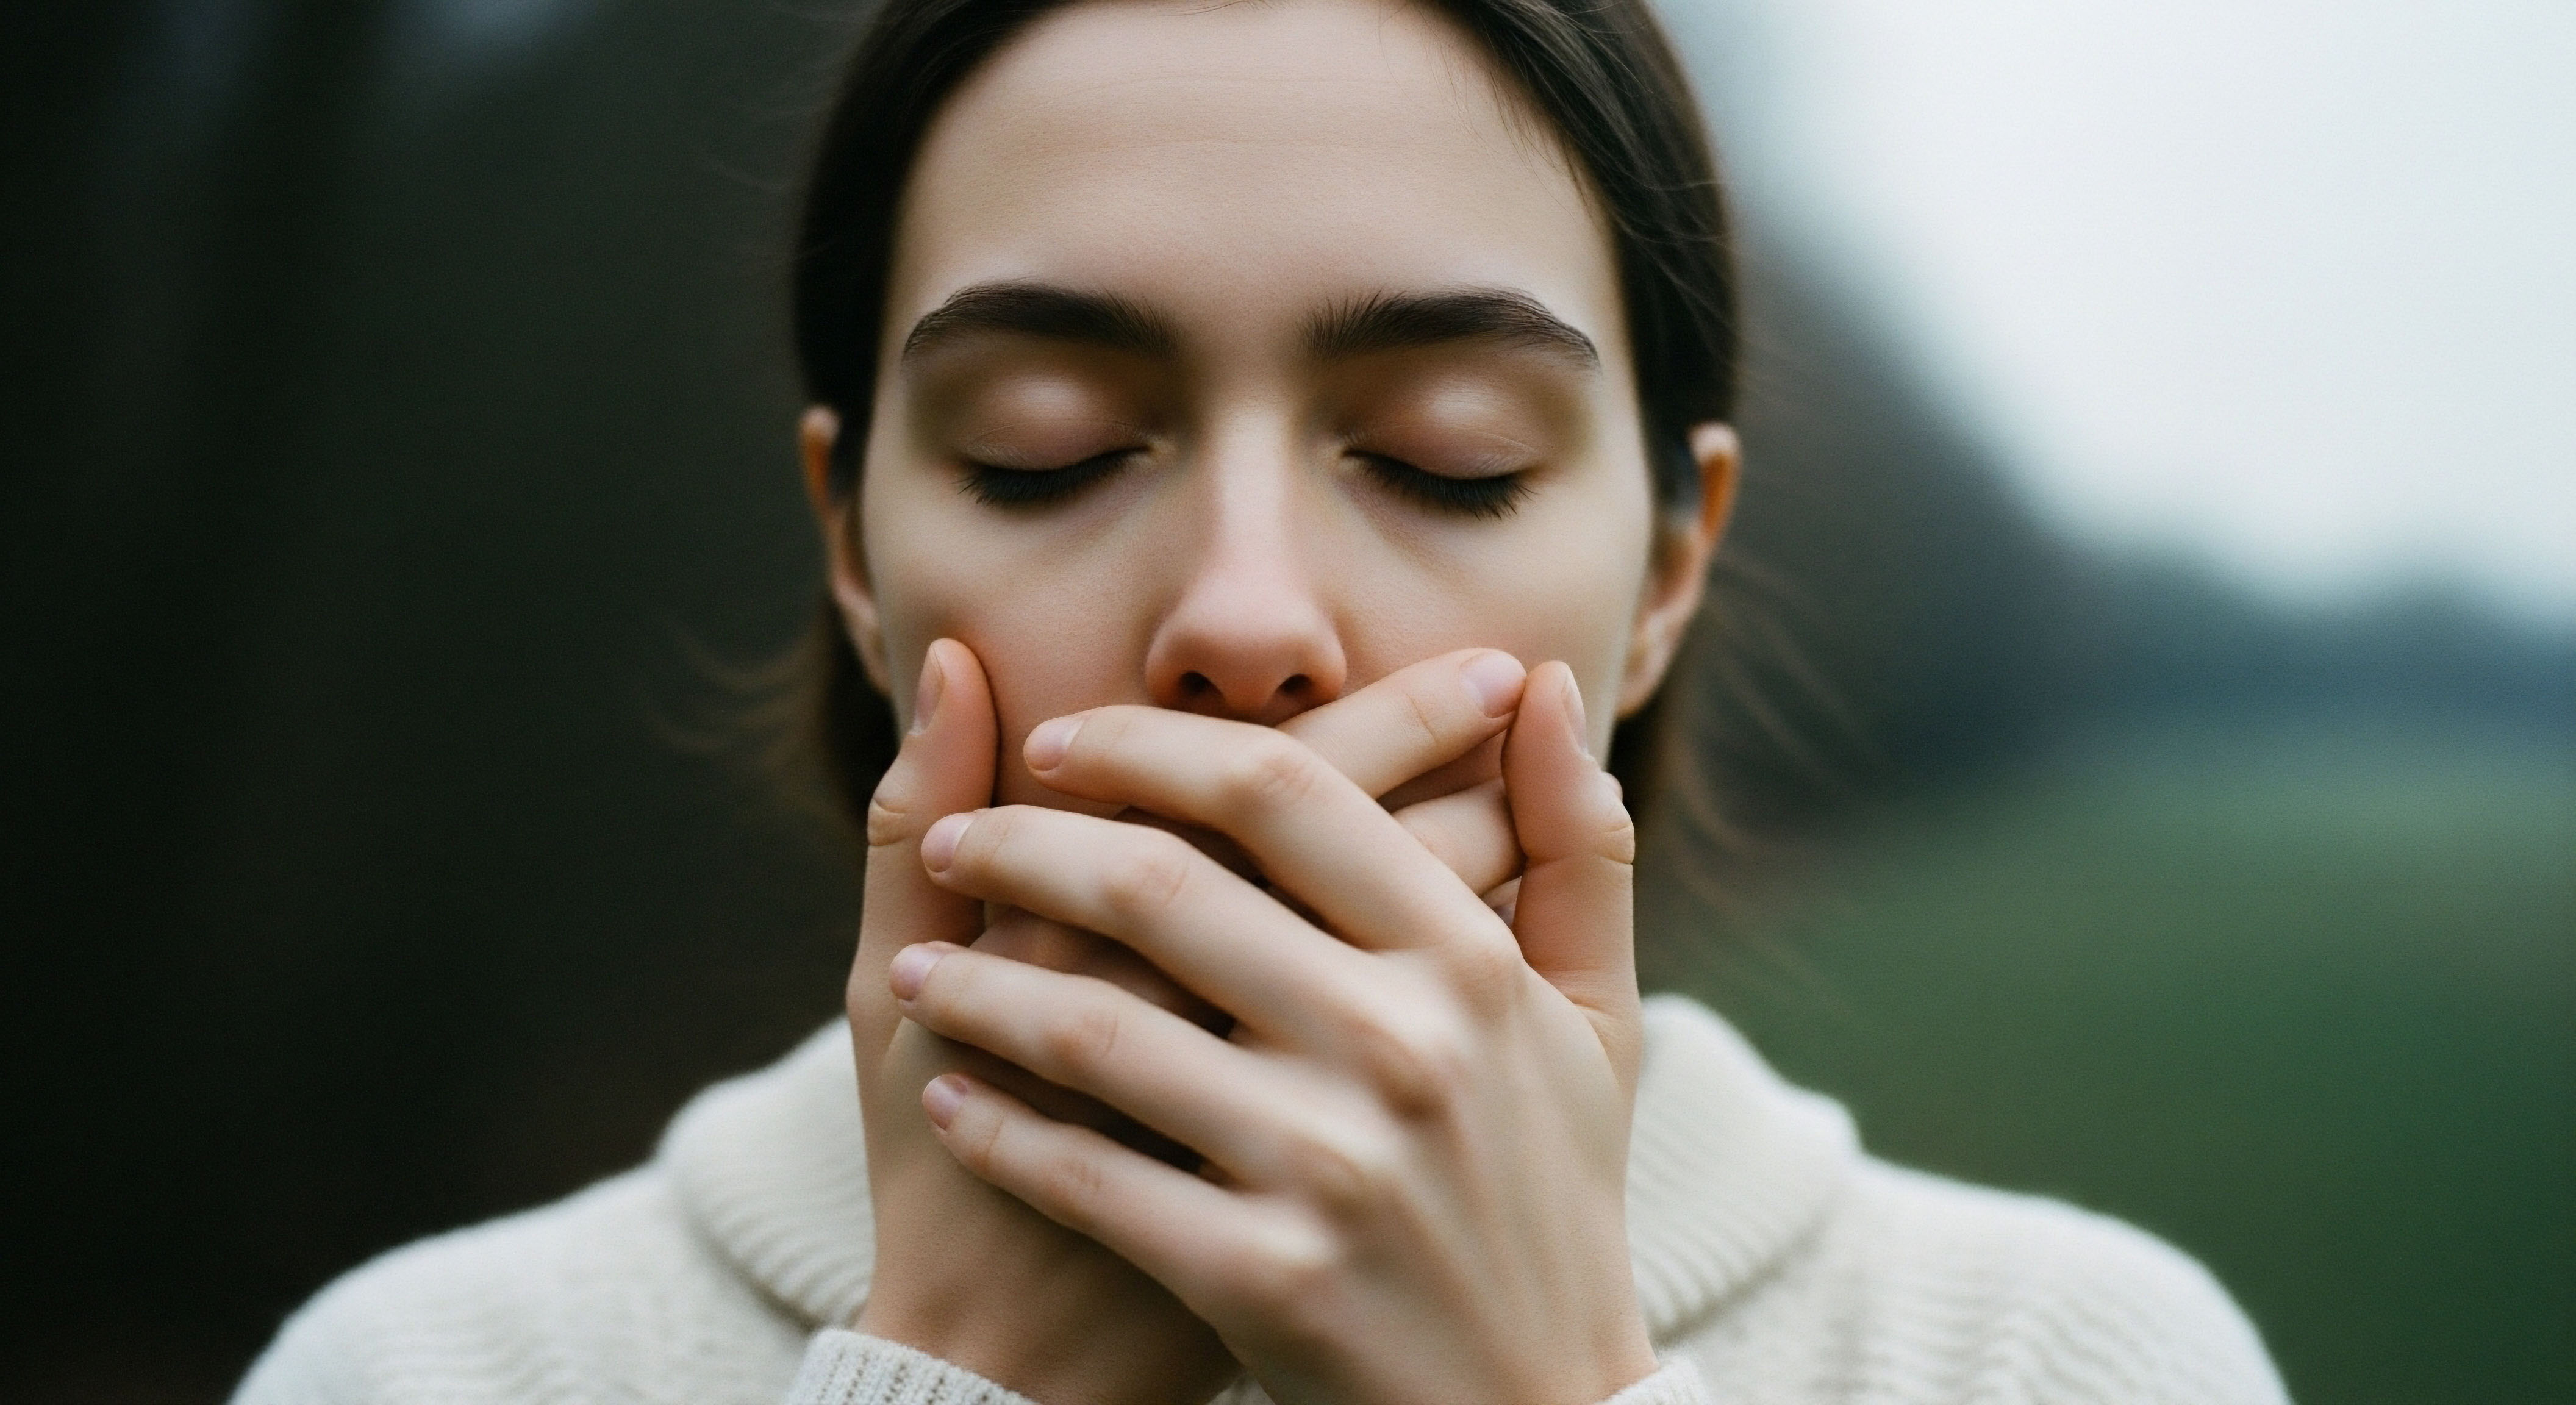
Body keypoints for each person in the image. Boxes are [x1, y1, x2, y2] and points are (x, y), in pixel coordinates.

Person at [234, 0, 2288, 1401]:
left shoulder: (2062, 1364)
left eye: (1446, 458)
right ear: (852, 548)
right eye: (1043, 450)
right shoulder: (430, 1373)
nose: (1241, 615)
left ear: (1668, 572)